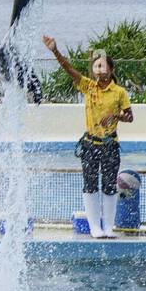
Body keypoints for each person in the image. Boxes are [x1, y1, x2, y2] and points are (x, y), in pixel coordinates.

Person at [43, 35, 134, 239]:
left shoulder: (119, 92)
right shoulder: (88, 86)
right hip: (90, 144)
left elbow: (130, 117)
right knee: (90, 184)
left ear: (110, 70)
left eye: (102, 66)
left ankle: (109, 227)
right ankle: (95, 227)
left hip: (110, 144)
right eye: (96, 66)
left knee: (110, 185)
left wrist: (116, 115)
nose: (98, 69)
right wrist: (55, 51)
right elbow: (69, 70)